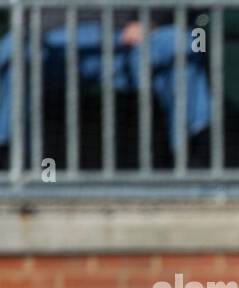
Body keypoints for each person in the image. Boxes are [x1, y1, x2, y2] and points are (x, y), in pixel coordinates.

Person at [0, 8, 211, 168]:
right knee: (13, 50)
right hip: (51, 39)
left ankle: (193, 152)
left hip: (125, 38)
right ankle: (8, 155)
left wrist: (152, 21)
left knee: (184, 43)